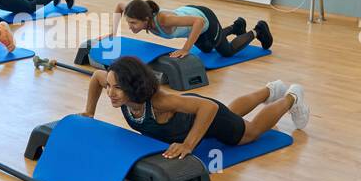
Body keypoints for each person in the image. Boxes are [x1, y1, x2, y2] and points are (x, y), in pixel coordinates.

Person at [81, 55, 308, 159]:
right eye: (109, 86)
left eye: (117, 88)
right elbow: (96, 78)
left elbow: (208, 109)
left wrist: (189, 144)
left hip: (205, 117)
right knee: (231, 112)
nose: (110, 92)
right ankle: (270, 90)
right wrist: (89, 111)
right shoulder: (115, 88)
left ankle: (291, 97)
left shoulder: (159, 102)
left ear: (133, 86)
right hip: (190, 113)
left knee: (250, 133)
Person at [111, 0, 272, 60]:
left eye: (133, 23)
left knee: (226, 51)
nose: (130, 26)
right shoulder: (137, 10)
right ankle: (236, 26)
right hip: (189, 15)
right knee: (208, 48)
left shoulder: (164, 20)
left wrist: (186, 48)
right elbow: (119, 5)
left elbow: (199, 22)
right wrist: (113, 31)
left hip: (204, 18)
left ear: (146, 20)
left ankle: (258, 30)